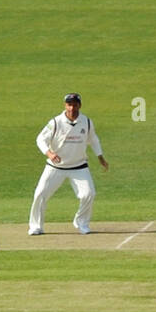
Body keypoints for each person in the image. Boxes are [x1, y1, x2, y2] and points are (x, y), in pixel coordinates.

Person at [29, 93, 109, 236]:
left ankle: (81, 223)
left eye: (75, 104)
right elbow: (40, 139)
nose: (72, 107)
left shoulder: (87, 122)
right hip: (55, 167)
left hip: (79, 166)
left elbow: (94, 139)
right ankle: (36, 226)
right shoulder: (56, 122)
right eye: (69, 104)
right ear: (65, 105)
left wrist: (100, 157)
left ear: (80, 105)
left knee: (89, 194)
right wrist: (49, 154)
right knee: (40, 194)